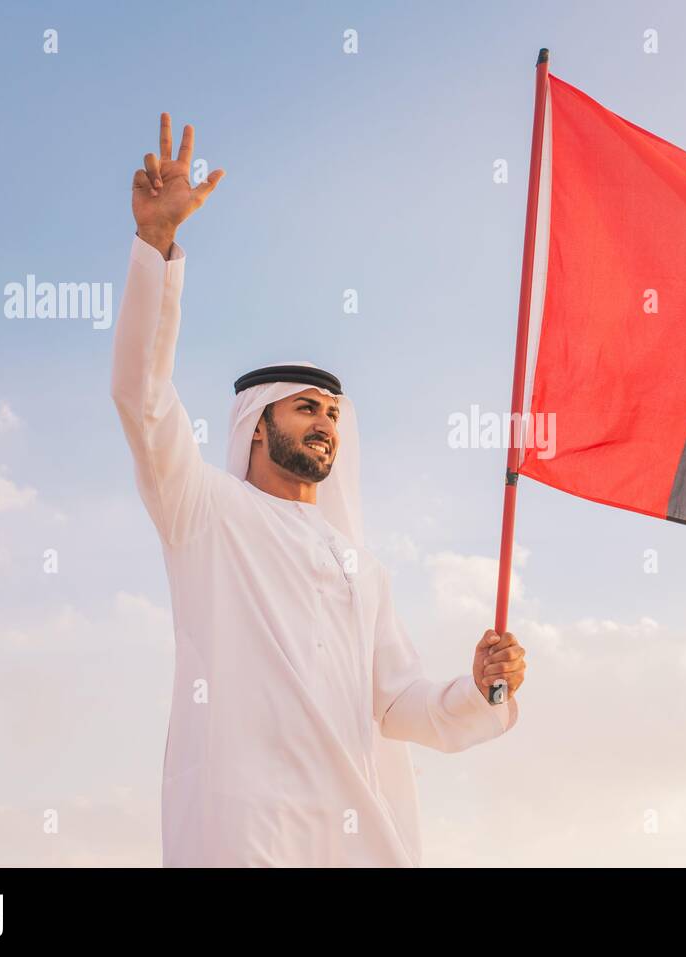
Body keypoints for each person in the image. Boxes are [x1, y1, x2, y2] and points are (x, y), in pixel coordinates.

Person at [111, 113, 525, 866]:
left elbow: (401, 704)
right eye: (306, 407)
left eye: (332, 412)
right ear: (255, 426)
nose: (324, 423)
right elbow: (143, 399)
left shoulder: (360, 568)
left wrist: (482, 687)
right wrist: (156, 246)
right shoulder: (205, 512)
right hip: (241, 824)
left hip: (351, 830)